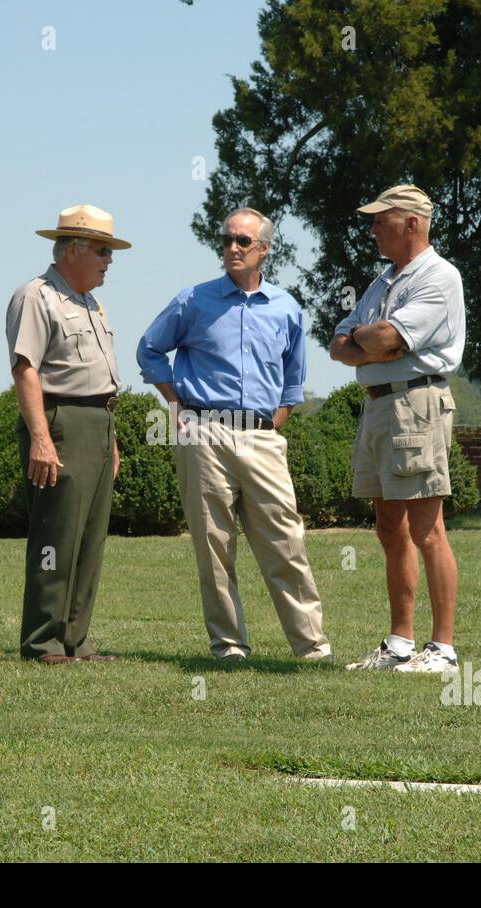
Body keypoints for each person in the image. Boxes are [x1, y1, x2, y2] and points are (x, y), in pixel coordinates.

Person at [137, 207, 333, 664]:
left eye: (243, 241)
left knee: (286, 542)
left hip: (263, 439)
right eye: (226, 240)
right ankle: (228, 646)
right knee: (213, 545)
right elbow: (149, 349)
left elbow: (291, 383)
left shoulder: (286, 308)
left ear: (265, 249)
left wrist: (269, 430)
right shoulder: (194, 301)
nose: (232, 248)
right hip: (203, 434)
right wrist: (177, 406)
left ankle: (312, 648)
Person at [329, 185, 465, 674]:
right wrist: (370, 345)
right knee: (390, 528)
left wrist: (372, 341)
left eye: (379, 220)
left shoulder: (439, 277)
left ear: (411, 222)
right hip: (378, 407)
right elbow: (338, 343)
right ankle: (400, 644)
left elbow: (388, 337)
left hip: (416, 404)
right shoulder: (381, 282)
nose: (371, 230)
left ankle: (443, 650)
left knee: (428, 530)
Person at [6, 204, 128, 664]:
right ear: (72, 250)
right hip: (62, 424)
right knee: (56, 536)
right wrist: (41, 437)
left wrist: (110, 437)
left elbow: (98, 380)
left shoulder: (90, 302)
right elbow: (26, 369)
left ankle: (76, 640)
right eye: (102, 250)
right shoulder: (36, 296)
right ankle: (43, 641)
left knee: (90, 538)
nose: (108, 260)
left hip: (99, 423)